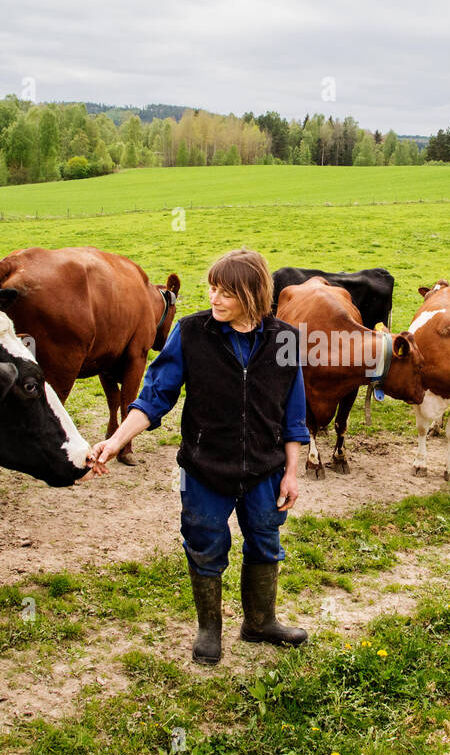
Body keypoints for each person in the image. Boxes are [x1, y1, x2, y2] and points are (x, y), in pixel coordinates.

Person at [87, 249, 310, 665]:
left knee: (265, 543)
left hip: (265, 469)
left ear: (253, 294)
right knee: (206, 545)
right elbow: (155, 396)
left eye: (226, 292)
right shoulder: (191, 333)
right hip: (205, 469)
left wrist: (291, 472)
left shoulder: (285, 339)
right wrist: (115, 442)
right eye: (212, 288)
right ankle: (209, 630)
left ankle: (260, 622)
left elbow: (293, 414)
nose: (214, 298)